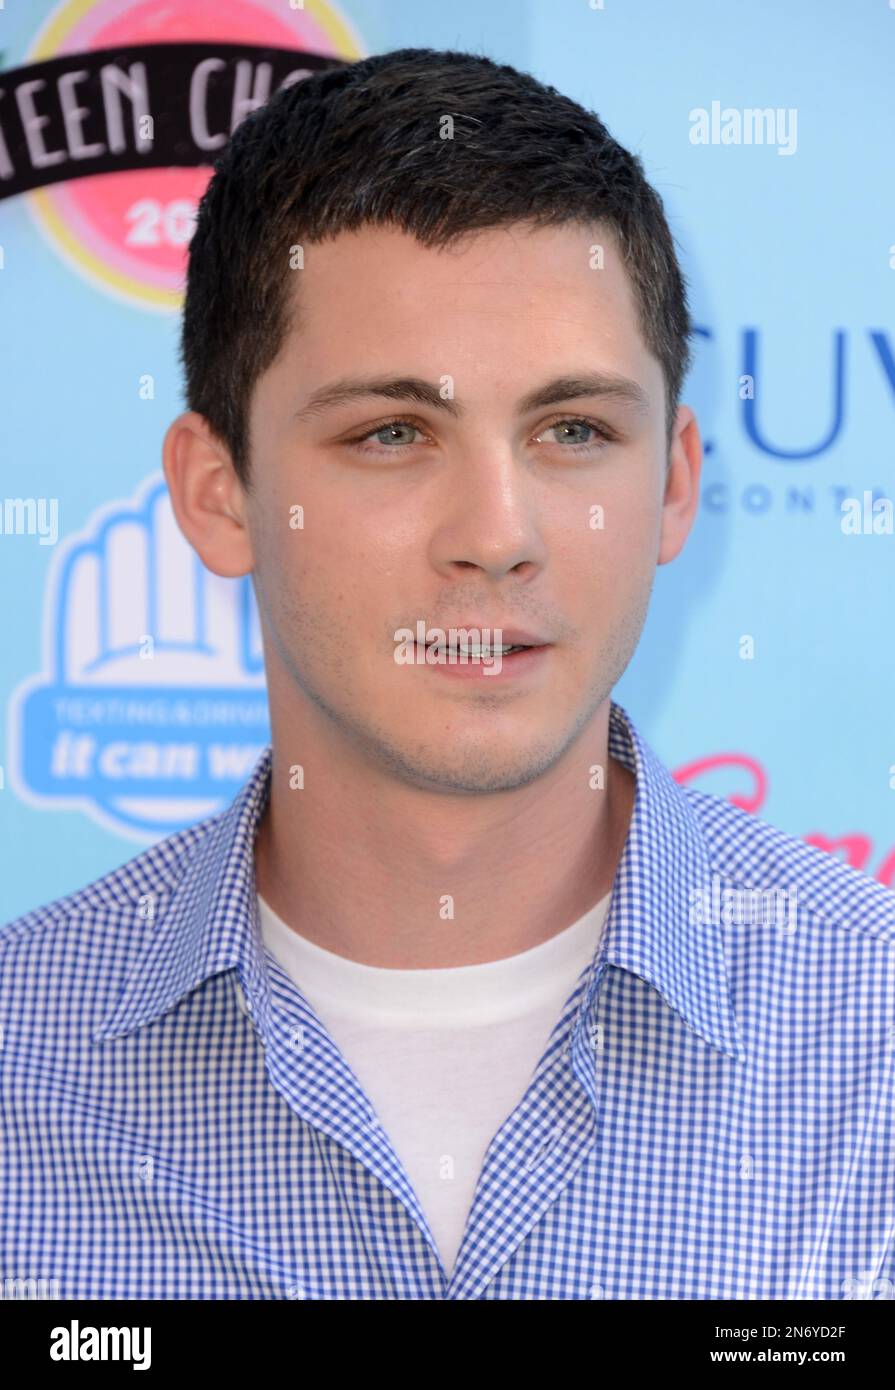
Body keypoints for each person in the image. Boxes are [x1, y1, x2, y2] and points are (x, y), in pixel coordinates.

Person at [3, 46, 894, 1302]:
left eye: (572, 430)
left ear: (675, 483)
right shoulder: (17, 1067)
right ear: (220, 494)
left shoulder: (874, 1043)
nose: (498, 530)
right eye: (391, 434)